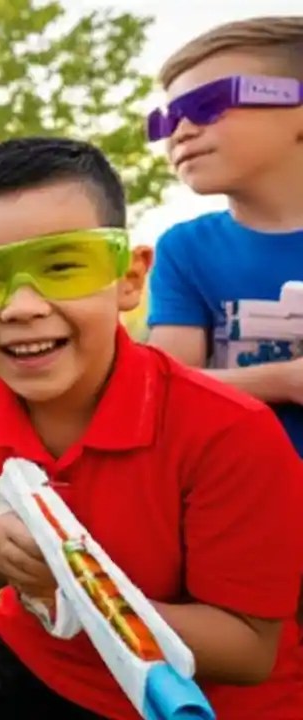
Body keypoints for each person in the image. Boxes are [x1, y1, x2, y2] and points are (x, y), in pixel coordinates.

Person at [0, 136, 303, 719]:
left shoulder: (232, 430)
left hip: (191, 699)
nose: (21, 305)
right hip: (28, 660)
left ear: (129, 279)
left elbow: (249, 650)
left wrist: (79, 595)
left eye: (62, 267)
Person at [144, 17, 303, 454]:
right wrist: (283, 381)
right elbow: (163, 389)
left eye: (208, 104)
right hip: (244, 508)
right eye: (166, 119)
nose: (180, 131)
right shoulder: (185, 250)